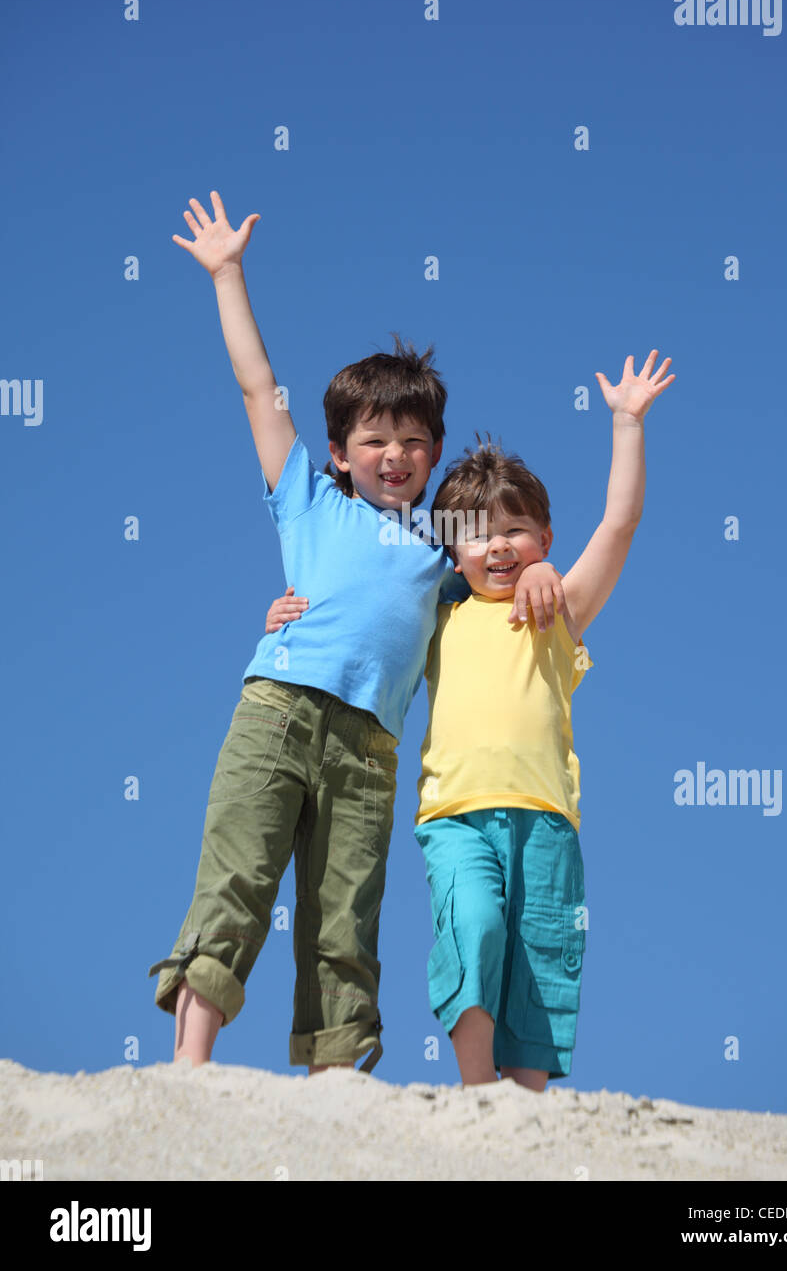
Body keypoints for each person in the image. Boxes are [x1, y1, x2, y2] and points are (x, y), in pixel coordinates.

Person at [148, 190, 559, 1075]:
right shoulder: (307, 498)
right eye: (374, 438)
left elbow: (499, 553)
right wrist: (228, 274)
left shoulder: (439, 543)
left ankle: (336, 1078)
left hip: (369, 748)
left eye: (415, 439)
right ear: (340, 451)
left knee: (346, 916)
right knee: (238, 875)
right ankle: (189, 1063)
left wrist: (537, 568)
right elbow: (259, 386)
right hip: (280, 713)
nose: (395, 454)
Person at [266, 350, 675, 1088]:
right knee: (476, 931)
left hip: (548, 821)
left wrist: (626, 424)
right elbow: (367, 608)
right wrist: (285, 616)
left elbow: (620, 523)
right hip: (455, 815)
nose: (500, 547)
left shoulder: (558, 612)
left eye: (517, 532)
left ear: (545, 541)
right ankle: (476, 1092)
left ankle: (520, 1112)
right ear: (452, 547)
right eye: (481, 534)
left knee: (538, 961)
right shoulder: (436, 609)